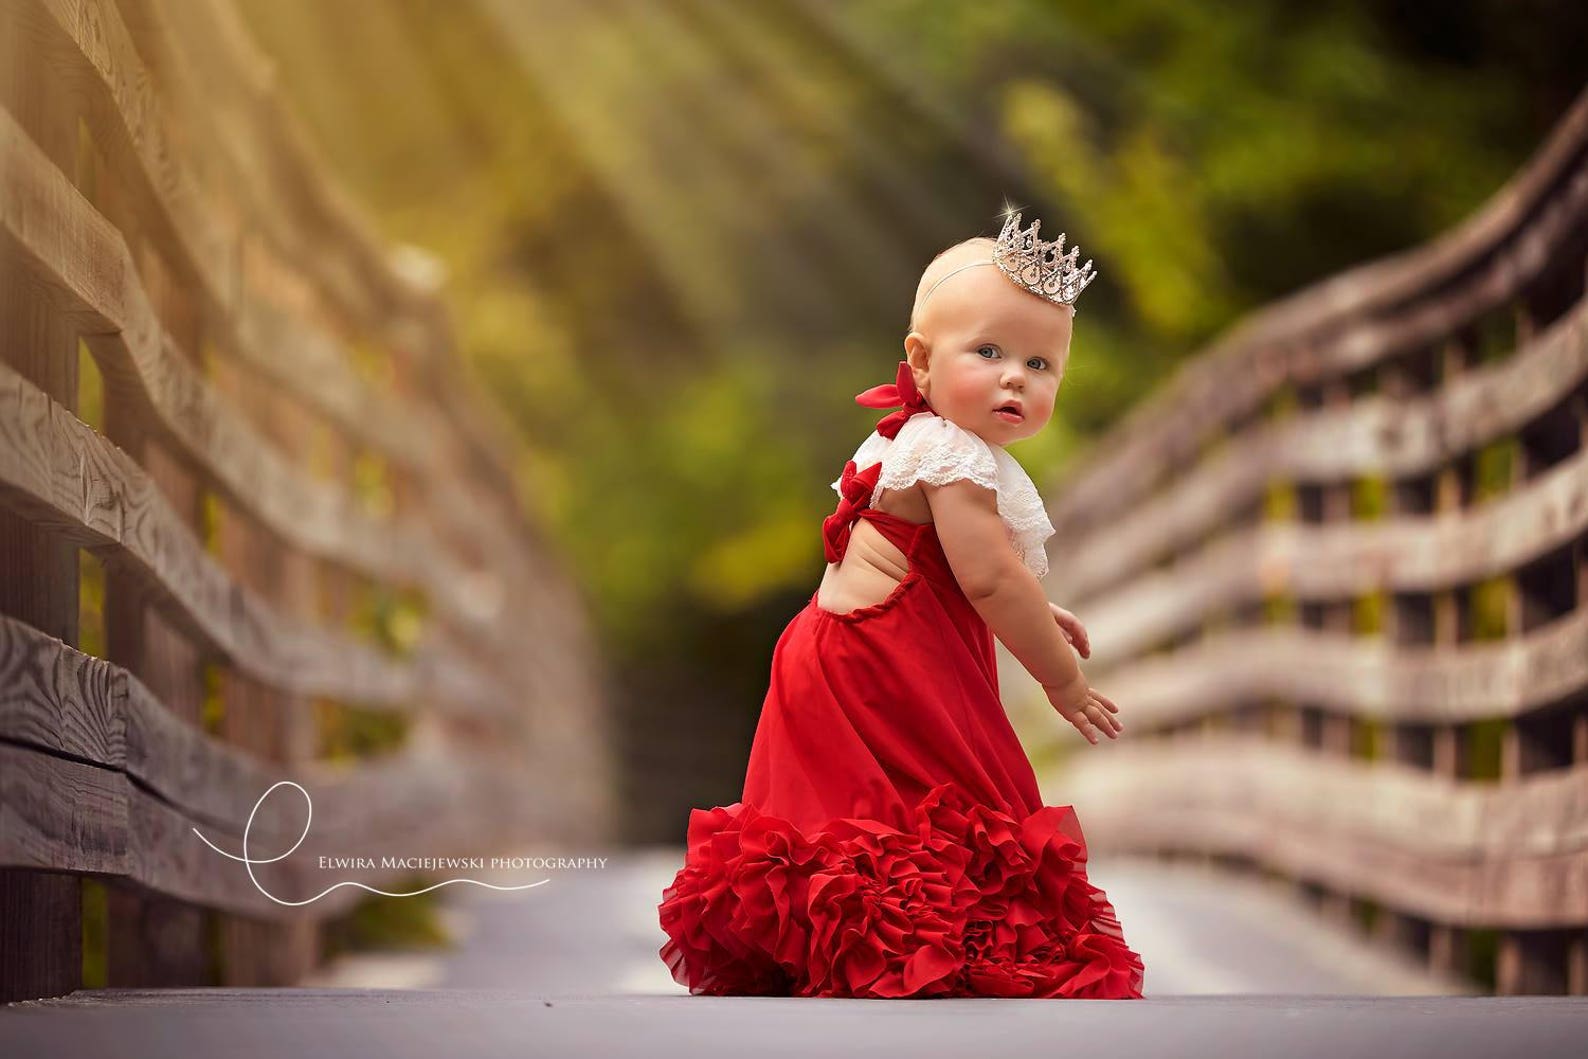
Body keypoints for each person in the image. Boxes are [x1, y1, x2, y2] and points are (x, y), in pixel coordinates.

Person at [657, 210, 1145, 999]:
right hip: (884, 661)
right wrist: (1063, 680)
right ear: (919, 361)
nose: (1016, 375)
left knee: (854, 815)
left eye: (1041, 362)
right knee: (939, 800)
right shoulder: (951, 455)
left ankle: (847, 943)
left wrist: (1033, 607)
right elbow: (988, 579)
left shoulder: (911, 437)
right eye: (988, 352)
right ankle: (912, 947)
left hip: (835, 646)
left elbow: (954, 568)